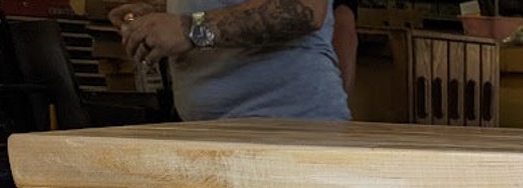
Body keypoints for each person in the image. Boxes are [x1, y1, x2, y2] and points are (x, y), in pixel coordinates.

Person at [109, 0, 350, 121]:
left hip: (285, 129)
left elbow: (304, 9)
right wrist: (158, 16)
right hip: (215, 131)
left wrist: (190, 28)